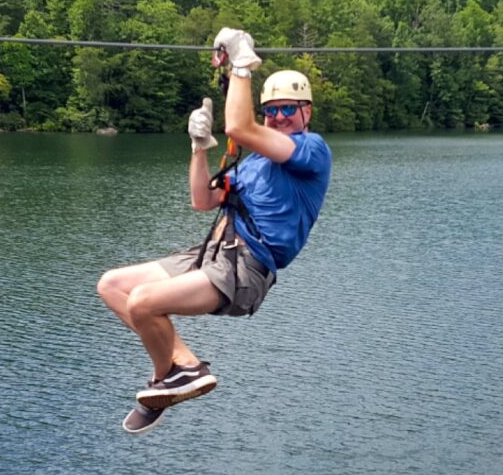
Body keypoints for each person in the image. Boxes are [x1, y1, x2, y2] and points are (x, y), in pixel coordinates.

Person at [96, 27, 332, 434]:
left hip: (246, 268)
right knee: (112, 285)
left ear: (306, 112)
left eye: (288, 109)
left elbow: (240, 127)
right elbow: (202, 201)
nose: (278, 117)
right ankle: (183, 366)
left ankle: (167, 378)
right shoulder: (254, 161)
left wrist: (242, 67)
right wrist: (198, 148)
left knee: (142, 303)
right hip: (213, 251)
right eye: (271, 110)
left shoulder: (311, 151)